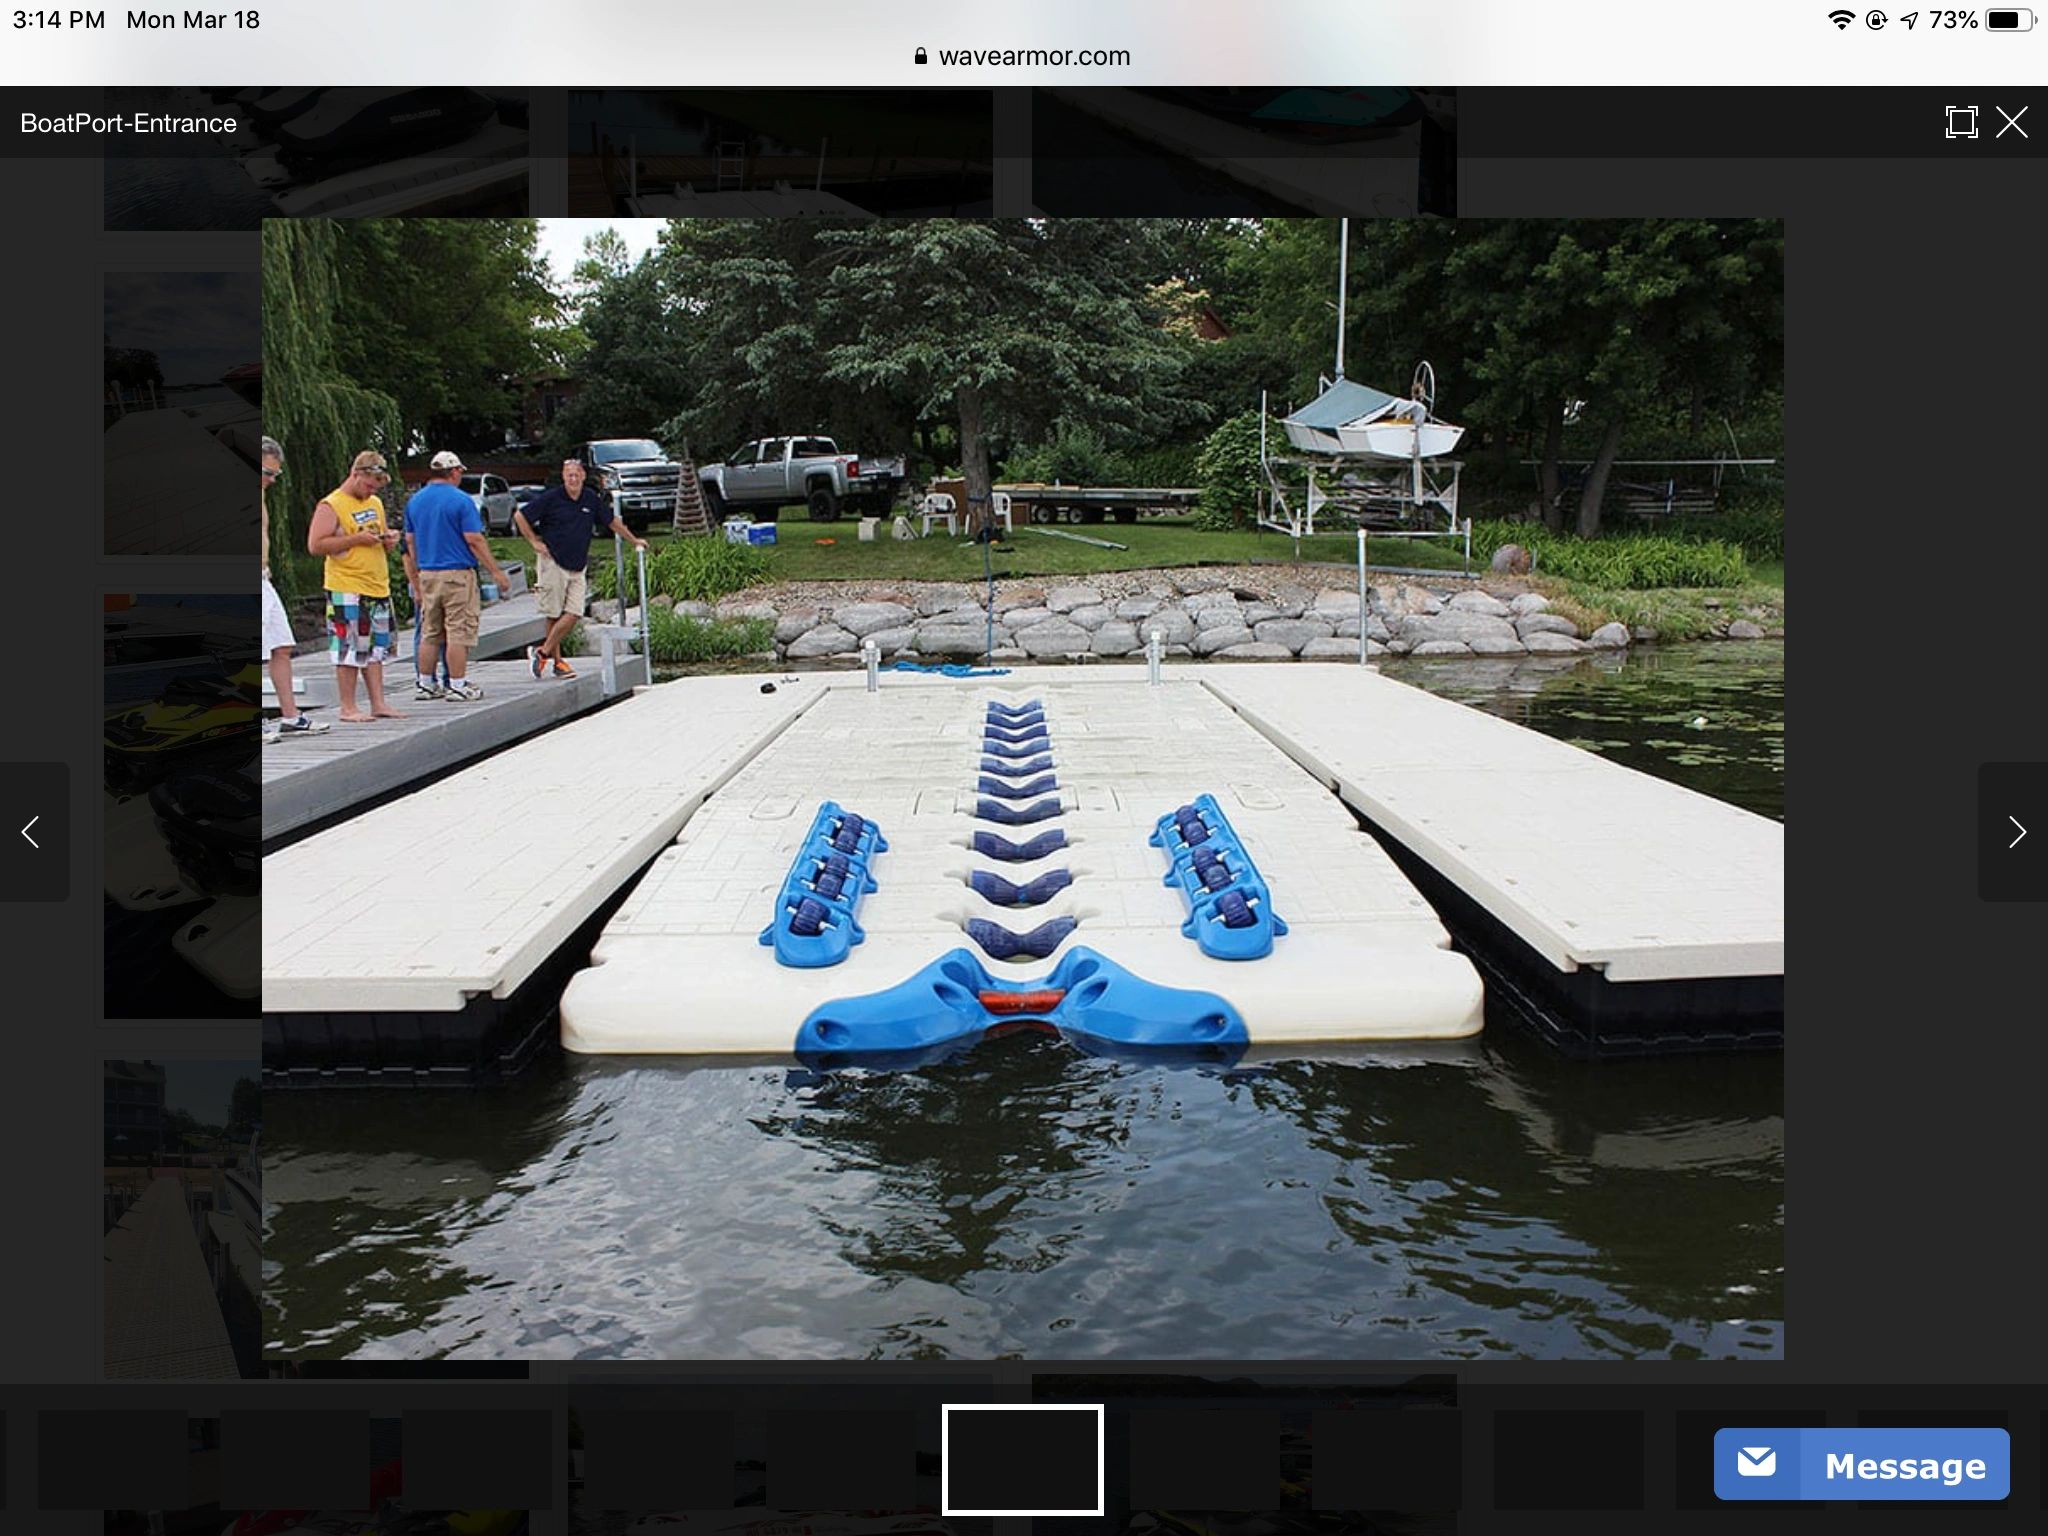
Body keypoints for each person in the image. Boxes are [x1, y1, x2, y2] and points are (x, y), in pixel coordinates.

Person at [514, 457, 646, 679]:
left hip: (577, 564)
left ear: (583, 476)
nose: (573, 479)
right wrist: (534, 542)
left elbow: (612, 522)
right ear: (564, 477)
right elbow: (520, 516)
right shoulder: (552, 498)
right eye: (569, 475)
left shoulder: (590, 499)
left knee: (574, 612)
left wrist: (634, 541)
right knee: (553, 613)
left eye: (577, 475)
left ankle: (543, 652)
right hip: (553, 561)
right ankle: (557, 663)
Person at [403, 450, 512, 703]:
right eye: (460, 471)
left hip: (427, 573)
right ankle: (457, 684)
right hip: (456, 574)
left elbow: (410, 541)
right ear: (453, 472)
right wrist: (496, 572)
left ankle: (426, 683)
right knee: (457, 632)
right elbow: (473, 538)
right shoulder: (462, 500)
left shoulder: (415, 501)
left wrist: (419, 572)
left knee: (430, 632)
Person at [306, 449, 404, 722]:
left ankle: (378, 702)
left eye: (376, 487)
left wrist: (388, 541)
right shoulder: (332, 504)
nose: (370, 491)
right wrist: (355, 540)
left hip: (377, 584)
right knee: (349, 647)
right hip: (346, 584)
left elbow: (377, 537)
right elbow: (316, 545)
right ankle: (347, 707)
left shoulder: (374, 503)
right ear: (356, 474)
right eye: (368, 485)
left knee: (377, 648)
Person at [258, 436, 329, 743]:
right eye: (268, 473)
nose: (272, 480)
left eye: (277, 475)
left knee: (282, 646)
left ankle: (290, 716)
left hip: (263, 578)